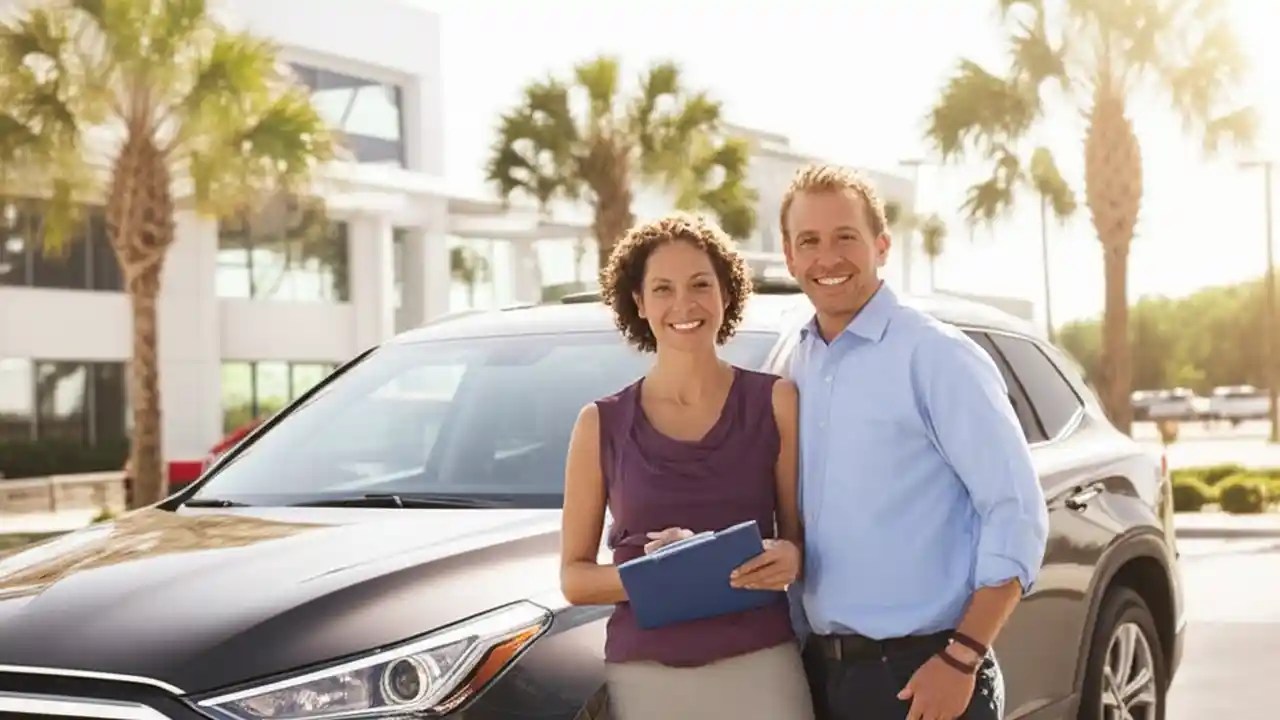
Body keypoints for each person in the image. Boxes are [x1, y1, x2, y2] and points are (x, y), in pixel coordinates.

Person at [778, 164, 1050, 720]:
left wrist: (961, 660)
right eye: (809, 241)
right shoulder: (792, 361)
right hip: (821, 677)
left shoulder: (936, 356)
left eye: (845, 237)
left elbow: (1016, 512)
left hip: (924, 674)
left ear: (881, 245)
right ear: (789, 255)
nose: (827, 258)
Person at [559, 212, 816, 720]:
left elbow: (797, 540)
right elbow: (575, 579)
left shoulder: (775, 402)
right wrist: (675, 571)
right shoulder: (600, 424)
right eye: (663, 289)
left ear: (726, 293)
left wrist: (789, 556)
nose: (684, 304)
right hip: (648, 674)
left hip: (760, 664)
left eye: (701, 284)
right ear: (639, 302)